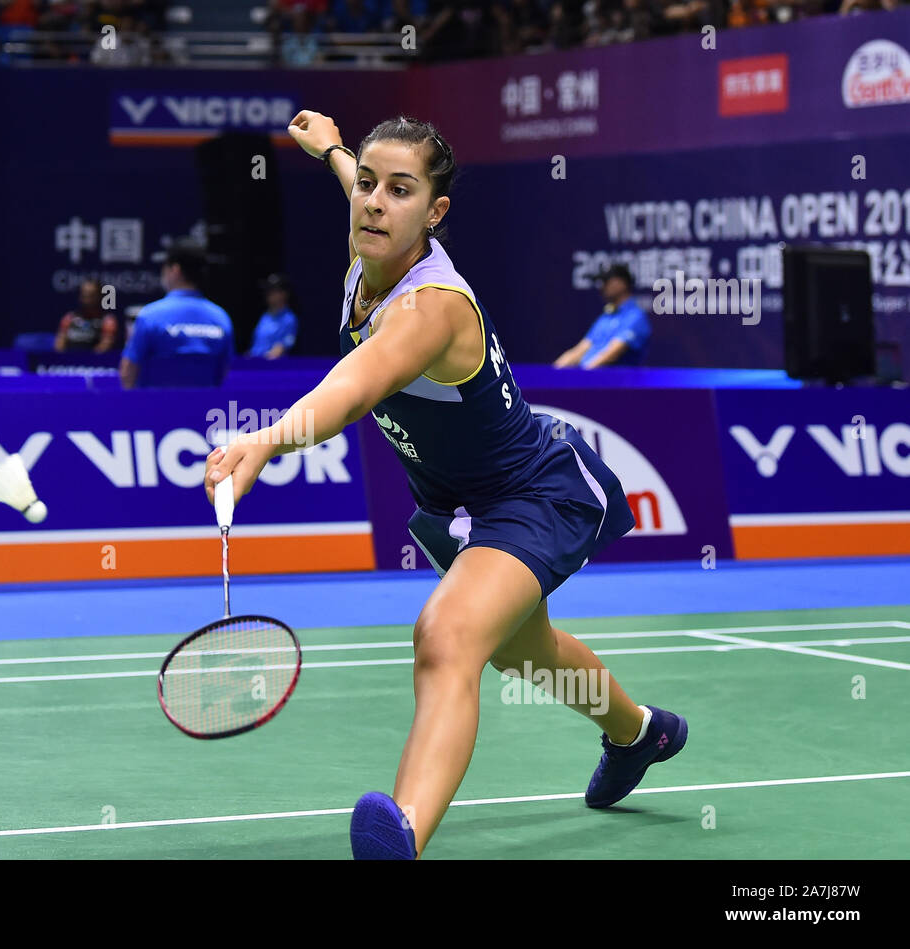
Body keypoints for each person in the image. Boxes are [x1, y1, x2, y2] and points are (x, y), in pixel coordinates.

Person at [204, 112, 687, 860]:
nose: (373, 202)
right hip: (454, 509)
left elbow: (357, 383)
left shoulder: (432, 308)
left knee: (447, 637)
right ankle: (641, 733)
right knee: (527, 654)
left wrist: (266, 439)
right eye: (367, 186)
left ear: (435, 215)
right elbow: (359, 183)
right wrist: (333, 147)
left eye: (400, 191)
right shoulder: (372, 245)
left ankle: (401, 832)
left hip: (533, 494)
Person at [120, 241, 233, 388]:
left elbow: (128, 372)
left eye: (164, 267)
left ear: (175, 270)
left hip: (155, 409)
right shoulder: (221, 318)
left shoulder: (150, 316)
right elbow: (223, 373)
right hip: (203, 409)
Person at [552, 264, 651, 368]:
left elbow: (611, 355)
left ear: (621, 284)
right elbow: (580, 350)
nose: (602, 287)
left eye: (606, 282)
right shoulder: (605, 317)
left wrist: (582, 377)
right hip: (590, 379)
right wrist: (552, 374)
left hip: (615, 382)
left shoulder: (636, 317)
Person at [55, 278, 120, 353]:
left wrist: (85, 360)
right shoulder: (69, 318)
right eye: (84, 294)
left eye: (91, 295)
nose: (87, 299)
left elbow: (104, 346)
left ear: (99, 296)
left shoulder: (108, 321)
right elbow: (59, 345)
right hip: (69, 362)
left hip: (94, 362)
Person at [247, 275, 300, 359]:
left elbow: (282, 347)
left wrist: (266, 360)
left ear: (283, 294)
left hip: (272, 368)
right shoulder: (265, 316)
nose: (268, 294)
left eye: (272, 291)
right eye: (267, 291)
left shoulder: (289, 319)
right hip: (255, 363)